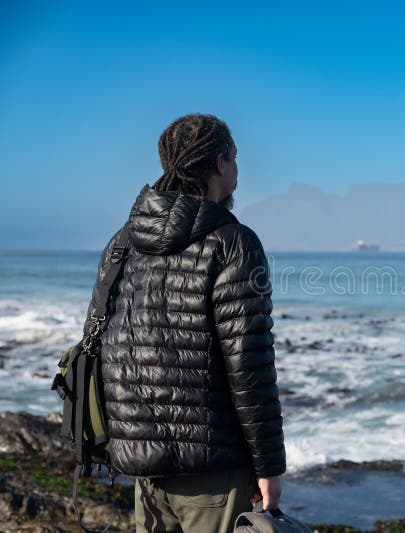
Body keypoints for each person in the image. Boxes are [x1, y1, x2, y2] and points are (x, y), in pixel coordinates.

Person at [81, 114, 285, 532]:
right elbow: (249, 366)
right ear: (220, 162)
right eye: (236, 159)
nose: (238, 171)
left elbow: (102, 343)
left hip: (142, 467)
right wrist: (269, 465)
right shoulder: (233, 243)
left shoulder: (123, 242)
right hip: (211, 471)